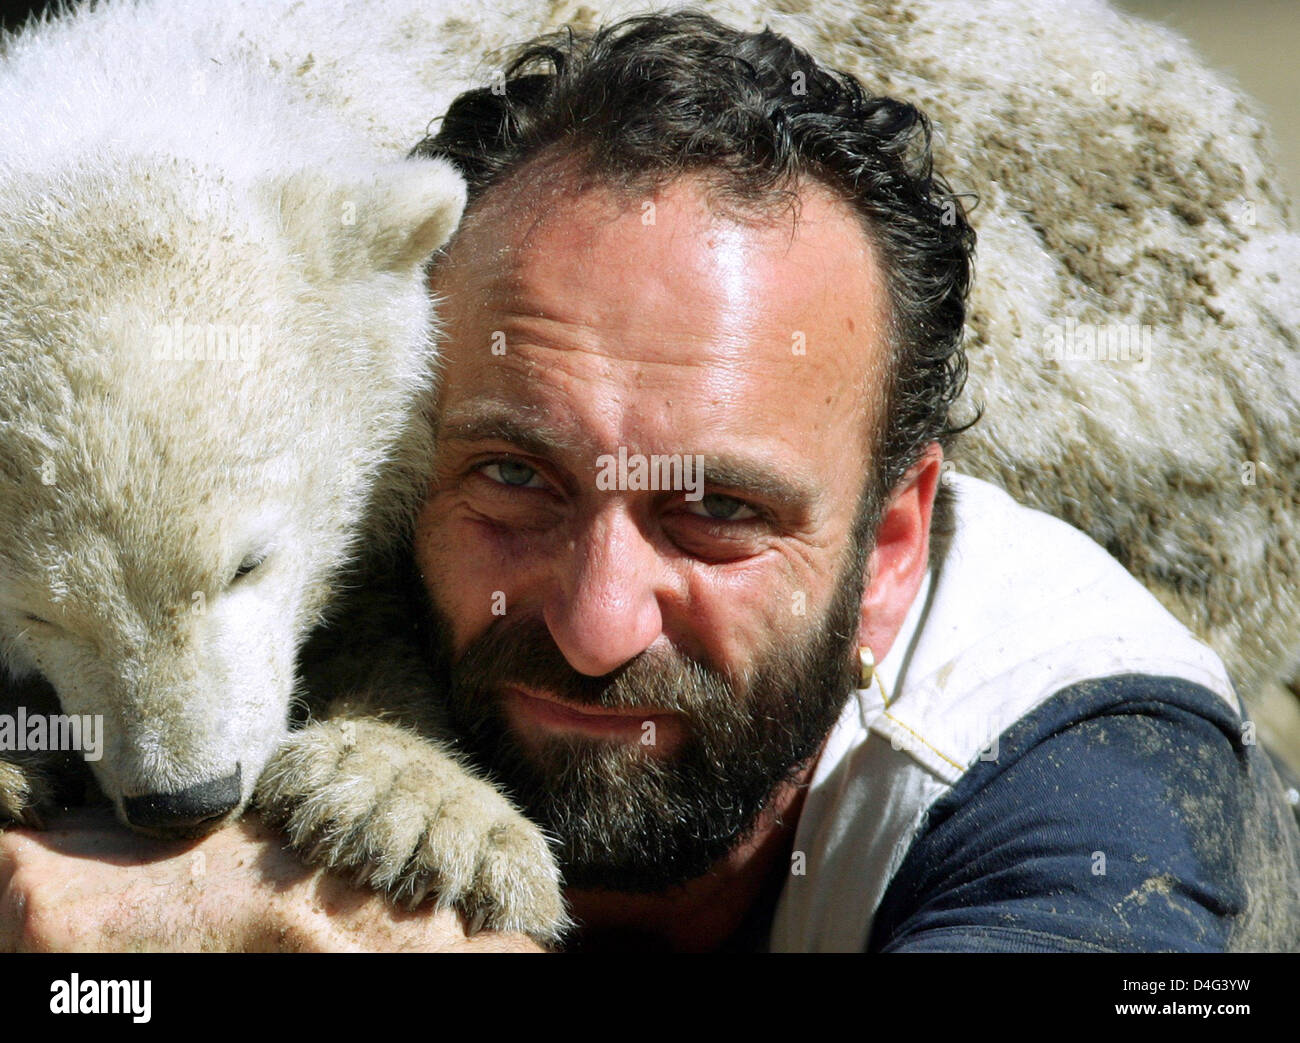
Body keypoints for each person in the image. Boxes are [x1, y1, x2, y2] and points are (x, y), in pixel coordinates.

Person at [3, 11, 1298, 953]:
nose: (594, 618)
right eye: (516, 476)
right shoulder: (289, 456)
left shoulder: (1076, 772)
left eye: (716, 512)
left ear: (897, 539)